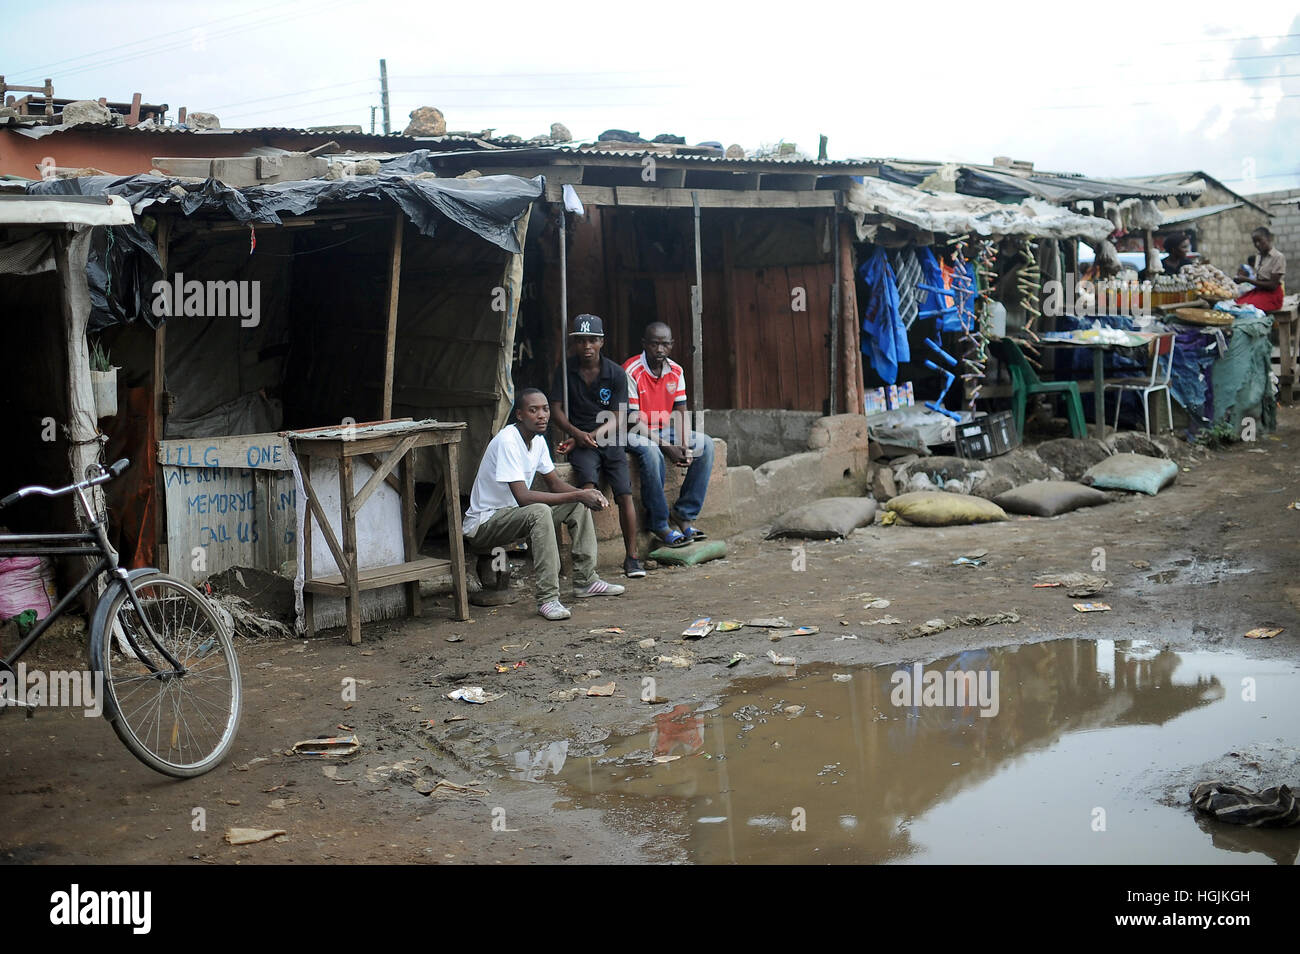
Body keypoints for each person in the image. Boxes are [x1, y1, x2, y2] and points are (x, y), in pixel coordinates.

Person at [463, 388, 624, 621]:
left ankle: (586, 580)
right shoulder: (508, 441)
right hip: (485, 524)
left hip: (514, 517)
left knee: (577, 504)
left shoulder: (537, 442)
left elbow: (556, 485)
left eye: (546, 409)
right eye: (533, 410)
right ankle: (548, 598)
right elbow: (524, 498)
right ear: (519, 415)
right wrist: (579, 494)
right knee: (540, 511)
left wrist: (587, 494)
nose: (542, 415)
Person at [548, 314, 646, 579]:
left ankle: (632, 558)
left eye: (592, 340)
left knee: (625, 494)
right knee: (587, 491)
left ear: (602, 341)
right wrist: (575, 433)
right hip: (581, 441)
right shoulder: (565, 370)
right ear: (574, 343)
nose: (587, 346)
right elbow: (555, 409)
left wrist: (591, 433)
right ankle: (586, 564)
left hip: (610, 437)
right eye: (581, 341)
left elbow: (619, 415)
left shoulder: (615, 372)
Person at [623, 321, 715, 547]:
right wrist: (667, 446)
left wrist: (684, 446)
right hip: (632, 430)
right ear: (644, 344)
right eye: (654, 344)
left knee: (705, 445)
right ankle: (659, 523)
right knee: (652, 453)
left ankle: (684, 514)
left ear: (672, 345)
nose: (660, 349)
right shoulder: (631, 370)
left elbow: (681, 412)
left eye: (665, 344)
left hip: (663, 429)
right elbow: (633, 421)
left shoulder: (676, 370)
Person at [1235, 227, 1286, 313]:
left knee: (1247, 308)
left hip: (1272, 295)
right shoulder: (1258, 256)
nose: (1257, 244)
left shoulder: (1278, 257)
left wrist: (1247, 280)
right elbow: (1258, 278)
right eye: (1255, 242)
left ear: (1269, 238)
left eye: (1260, 241)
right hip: (1259, 291)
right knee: (1236, 303)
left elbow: (1272, 285)